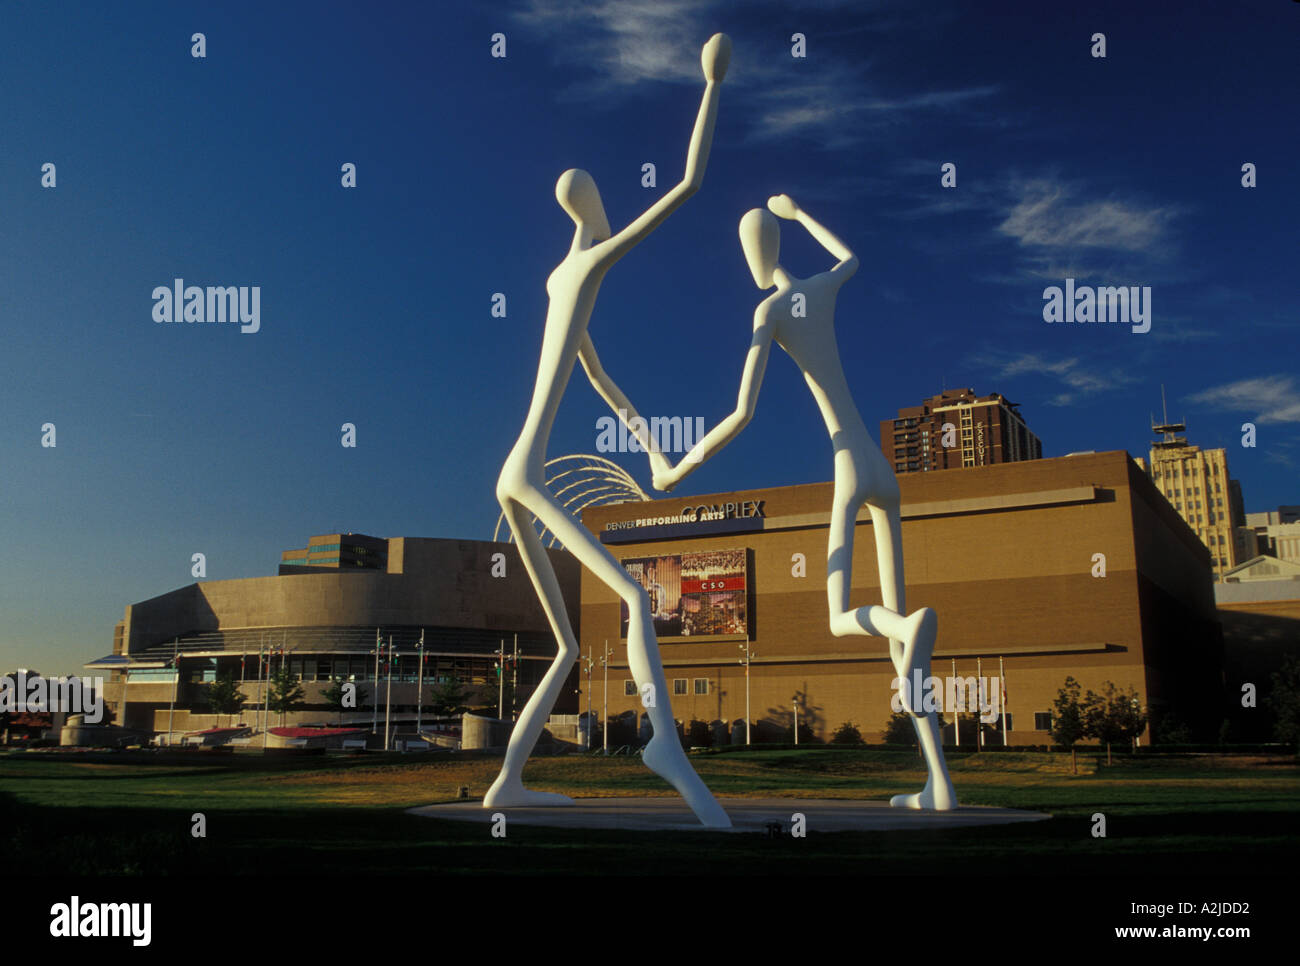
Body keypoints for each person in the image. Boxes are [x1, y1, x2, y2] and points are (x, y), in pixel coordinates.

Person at [487, 34, 733, 828]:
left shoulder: (560, 279)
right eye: (596, 197)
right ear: (589, 211)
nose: (604, 205)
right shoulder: (588, 268)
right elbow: (689, 185)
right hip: (528, 475)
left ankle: (507, 785)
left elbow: (602, 382)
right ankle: (664, 741)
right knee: (632, 595)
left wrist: (656, 448)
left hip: (510, 472)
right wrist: (712, 86)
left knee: (564, 649)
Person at [653, 194, 956, 809]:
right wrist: (798, 213)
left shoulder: (769, 311)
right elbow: (851, 257)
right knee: (905, 663)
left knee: (840, 617)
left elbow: (741, 413)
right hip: (882, 466)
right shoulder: (820, 287)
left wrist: (679, 467)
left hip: (848, 461)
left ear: (750, 257)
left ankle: (903, 625)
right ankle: (940, 784)